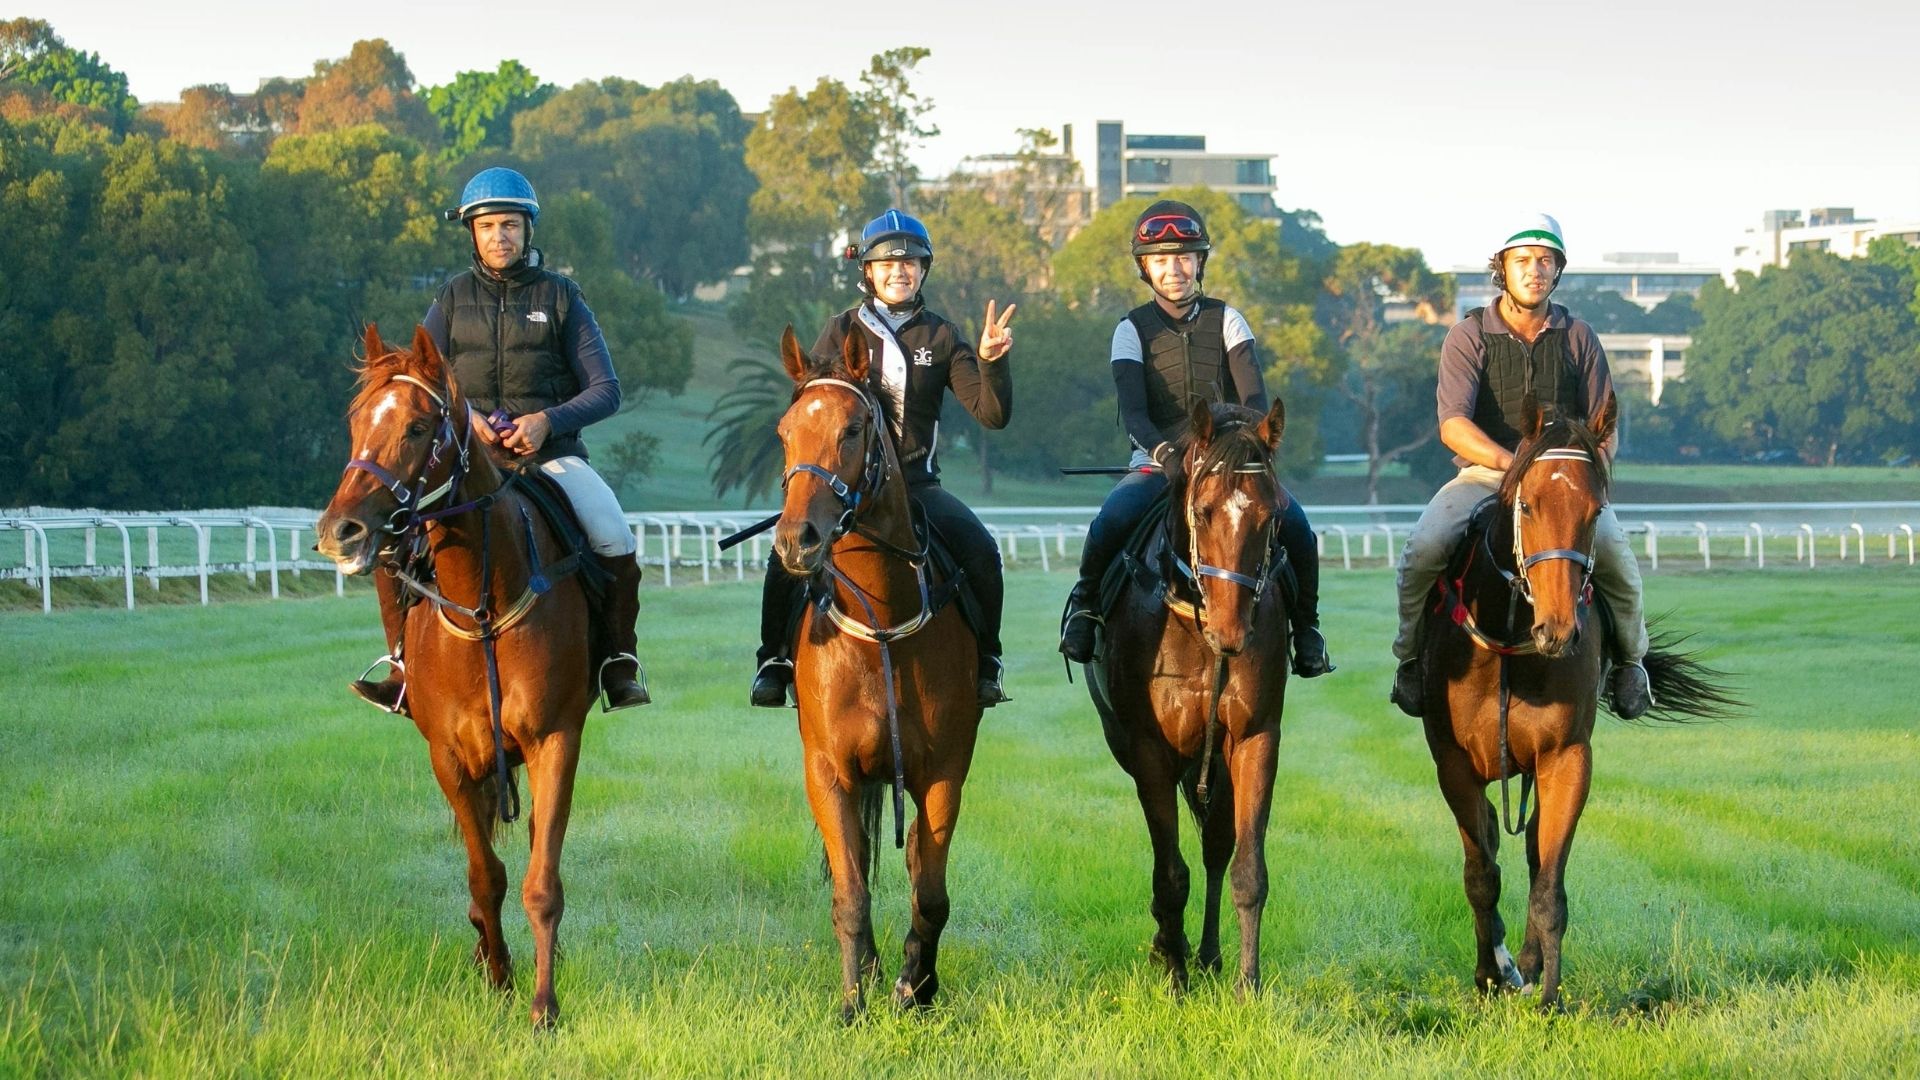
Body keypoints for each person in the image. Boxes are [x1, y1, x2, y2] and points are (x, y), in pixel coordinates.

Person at [349, 166, 649, 714]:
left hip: (551, 460)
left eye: (509, 225)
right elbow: (421, 380)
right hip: (466, 463)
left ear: (527, 230)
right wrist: (473, 417)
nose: (499, 237)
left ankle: (618, 660)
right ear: (472, 233)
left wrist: (546, 423)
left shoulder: (562, 298)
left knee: (614, 537)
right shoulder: (451, 298)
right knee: (393, 545)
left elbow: (607, 390)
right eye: (486, 227)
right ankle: (401, 667)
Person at [1388, 212, 1651, 719]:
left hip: (1562, 479)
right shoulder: (1469, 336)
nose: (1536, 270)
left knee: (1617, 556)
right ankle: (1411, 658)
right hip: (1487, 472)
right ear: (1502, 269)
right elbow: (1453, 426)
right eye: (1524, 260)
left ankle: (1631, 665)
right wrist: (1514, 465)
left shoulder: (1580, 337)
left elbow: (1604, 424)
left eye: (1546, 261)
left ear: (1558, 272)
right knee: (1424, 547)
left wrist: (1585, 471)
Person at [750, 209, 1016, 709]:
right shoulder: (841, 328)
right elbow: (817, 404)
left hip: (918, 487)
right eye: (888, 264)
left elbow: (991, 414)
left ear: (924, 270)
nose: (900, 271)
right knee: (786, 555)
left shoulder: (942, 336)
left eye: (911, 263)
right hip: (847, 489)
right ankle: (774, 659)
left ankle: (988, 662)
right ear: (867, 272)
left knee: (981, 550)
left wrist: (992, 361)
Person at [1058, 200, 1331, 676]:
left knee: (1298, 525)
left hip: (1227, 465)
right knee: (1112, 517)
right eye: (1161, 259)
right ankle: (1085, 608)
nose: (1174, 269)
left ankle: (1306, 629)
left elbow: (1253, 401)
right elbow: (1136, 415)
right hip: (1157, 461)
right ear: (1145, 267)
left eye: (1184, 257)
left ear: (1200, 262)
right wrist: (1167, 455)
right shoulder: (1129, 330)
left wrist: (1231, 450)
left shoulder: (1229, 320)